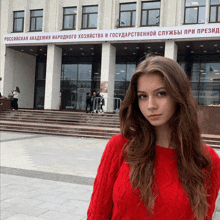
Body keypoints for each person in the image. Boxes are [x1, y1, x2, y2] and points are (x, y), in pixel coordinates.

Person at [87, 55, 220, 220]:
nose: (150, 105)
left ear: (179, 95)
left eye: (161, 93)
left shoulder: (207, 160)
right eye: (143, 96)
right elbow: (97, 214)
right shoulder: (119, 146)